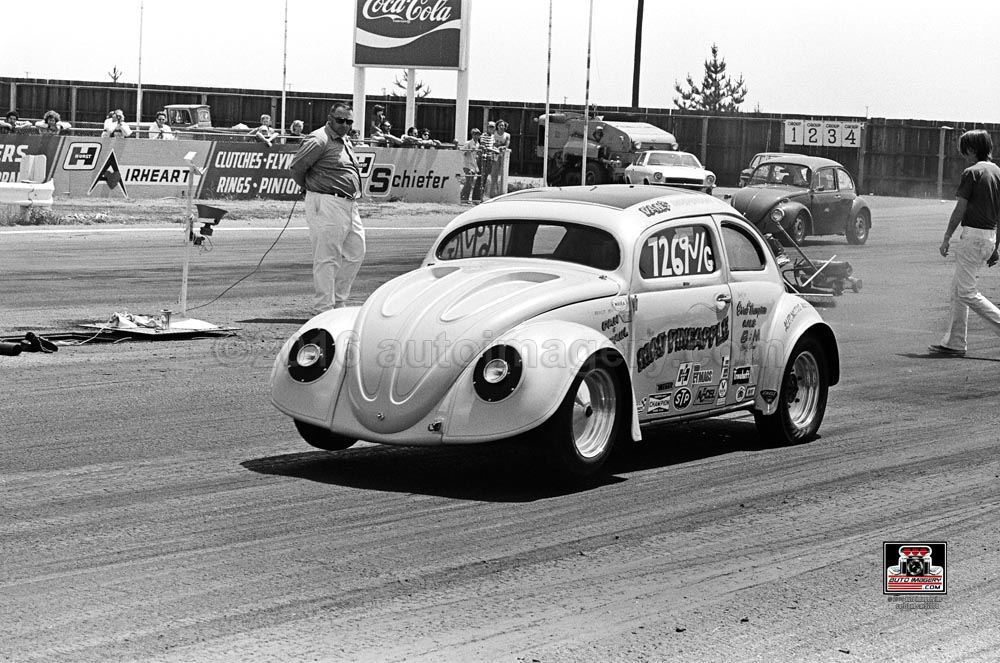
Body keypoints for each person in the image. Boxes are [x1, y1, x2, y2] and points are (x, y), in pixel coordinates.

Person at [288, 101, 366, 313]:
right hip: (326, 202)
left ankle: (339, 301)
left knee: (356, 252)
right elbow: (296, 168)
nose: (344, 124)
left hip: (348, 204)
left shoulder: (344, 140)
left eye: (348, 121)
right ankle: (324, 308)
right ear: (330, 119)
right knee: (326, 257)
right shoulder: (319, 139)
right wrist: (310, 188)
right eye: (340, 120)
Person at [929, 129, 1000, 356]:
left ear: (971, 149)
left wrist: (947, 235)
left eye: (964, 151)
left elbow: (961, 207)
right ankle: (955, 343)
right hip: (989, 236)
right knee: (958, 290)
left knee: (967, 292)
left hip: (973, 237)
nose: (963, 155)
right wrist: (996, 246)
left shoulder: (971, 172)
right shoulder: (997, 172)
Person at [486, 119, 511, 197]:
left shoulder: (507, 135)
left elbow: (506, 145)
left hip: (502, 157)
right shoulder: (494, 134)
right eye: (500, 125)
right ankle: (491, 193)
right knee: (494, 175)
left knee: (502, 175)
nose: (501, 127)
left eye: (503, 125)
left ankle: (500, 193)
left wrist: (501, 147)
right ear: (497, 126)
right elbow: (491, 144)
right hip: (494, 156)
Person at [459, 127, 482, 204]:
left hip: (473, 165)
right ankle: (463, 197)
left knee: (471, 183)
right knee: (468, 182)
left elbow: (477, 156)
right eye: (475, 134)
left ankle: (465, 198)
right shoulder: (468, 143)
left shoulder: (478, 144)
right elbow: (462, 152)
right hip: (467, 164)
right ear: (472, 135)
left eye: (478, 134)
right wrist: (469, 151)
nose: (476, 136)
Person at [479, 121, 500, 199]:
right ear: (487, 127)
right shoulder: (483, 136)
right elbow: (483, 147)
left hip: (490, 158)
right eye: (490, 127)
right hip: (484, 158)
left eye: (493, 127)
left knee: (486, 176)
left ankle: (483, 195)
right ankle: (479, 195)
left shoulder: (492, 136)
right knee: (482, 177)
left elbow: (492, 146)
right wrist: (494, 151)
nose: (491, 128)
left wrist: (496, 149)